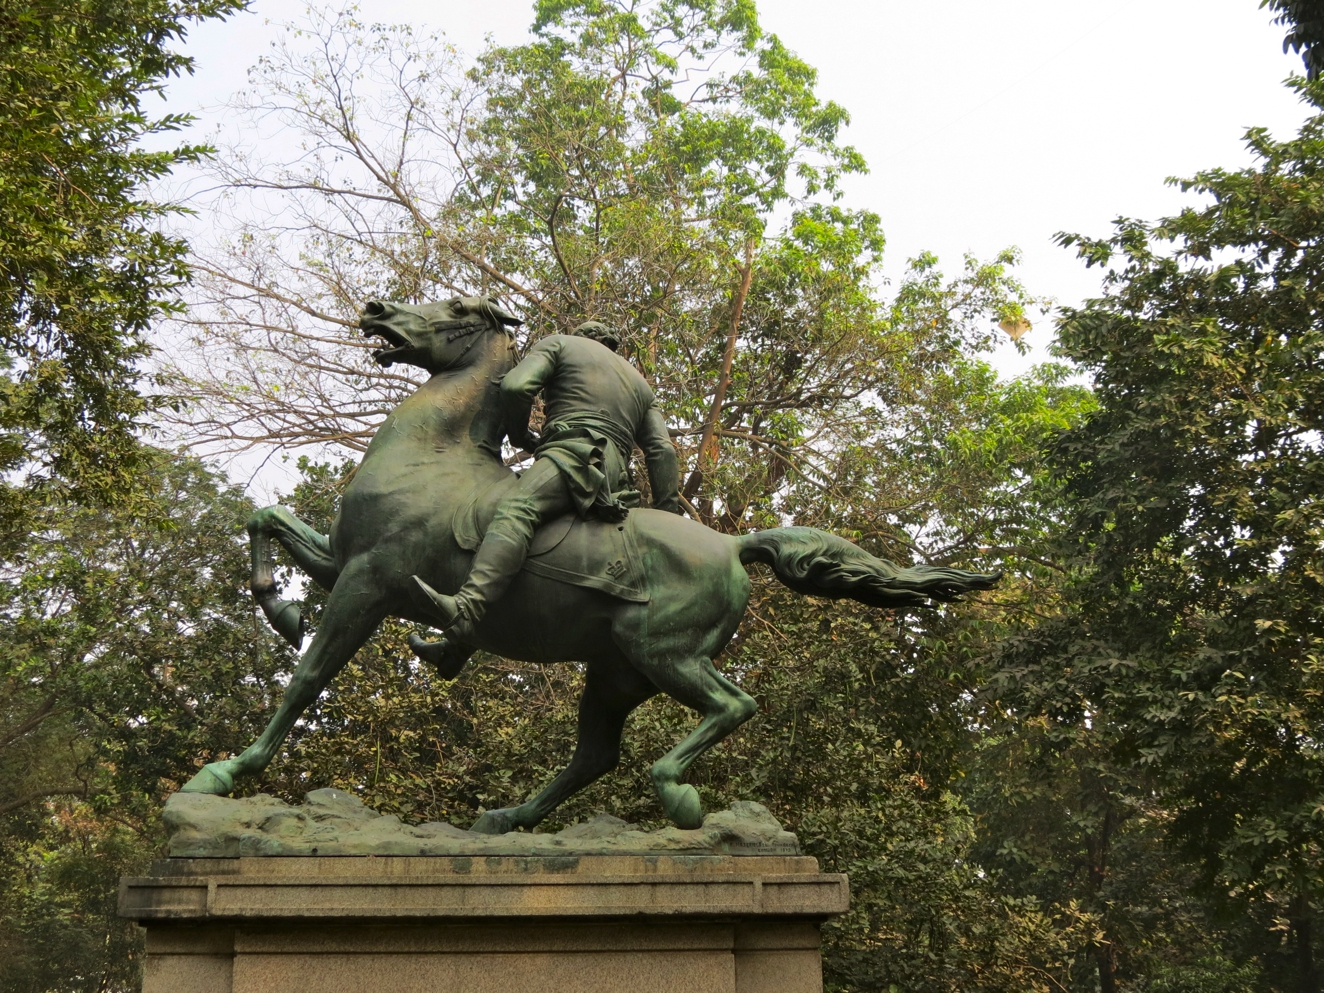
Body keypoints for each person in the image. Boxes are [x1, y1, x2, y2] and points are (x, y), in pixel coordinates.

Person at [414, 320, 681, 642]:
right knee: (534, 543)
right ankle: (456, 647)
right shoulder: (641, 385)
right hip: (616, 481)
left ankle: (466, 609)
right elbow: (662, 450)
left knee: (517, 510)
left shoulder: (562, 343)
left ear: (583, 335)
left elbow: (515, 387)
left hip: (575, 456)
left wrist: (518, 433)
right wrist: (667, 511)